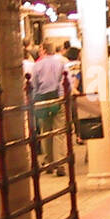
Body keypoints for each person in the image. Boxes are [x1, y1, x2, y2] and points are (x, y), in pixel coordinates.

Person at [30, 41, 69, 175]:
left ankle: (49, 162)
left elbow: (33, 84)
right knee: (59, 132)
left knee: (45, 131)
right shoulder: (61, 63)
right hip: (57, 98)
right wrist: (62, 96)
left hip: (42, 99)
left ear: (44, 50)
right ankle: (61, 163)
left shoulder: (37, 65)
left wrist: (35, 99)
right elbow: (65, 81)